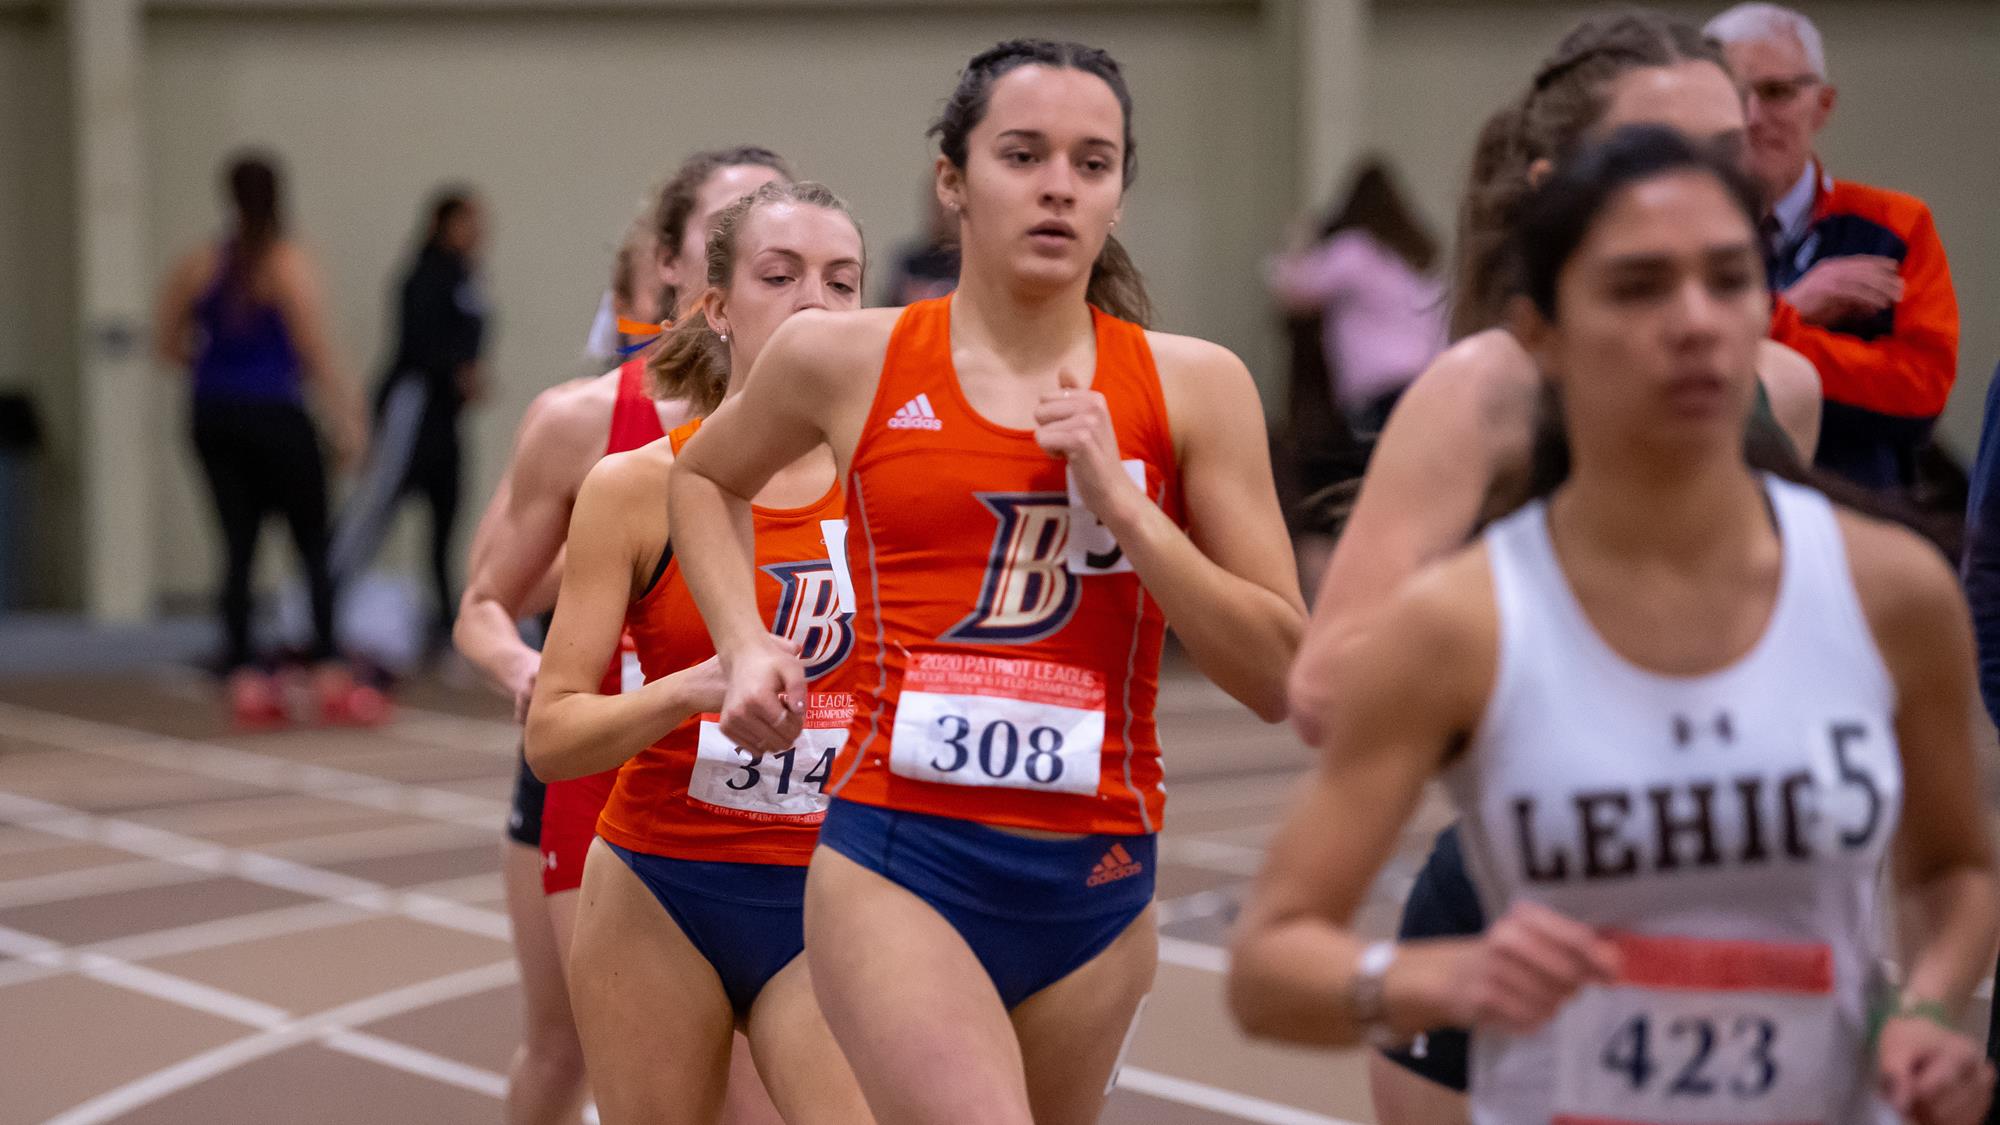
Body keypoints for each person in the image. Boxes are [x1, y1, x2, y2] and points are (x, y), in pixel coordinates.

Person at [1230, 124, 2000, 1125]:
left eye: (1726, 281)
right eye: (1637, 287)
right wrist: (1435, 981)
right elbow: (1266, 965)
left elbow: (1951, 868)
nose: (1692, 321)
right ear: (1538, 334)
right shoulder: (1462, 624)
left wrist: (1930, 1010)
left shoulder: (1888, 592)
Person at [667, 39, 1305, 1125]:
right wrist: (746, 641)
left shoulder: (1195, 388)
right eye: (1023, 154)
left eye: (1092, 162)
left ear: (1115, 193)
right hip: (897, 863)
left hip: (1096, 884)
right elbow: (698, 478)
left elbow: (1280, 674)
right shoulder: (846, 358)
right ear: (953, 181)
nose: (1059, 183)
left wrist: (1129, 506)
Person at [1287, 13, 1832, 1116]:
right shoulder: (1482, 390)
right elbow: (1323, 683)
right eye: (1654, 155)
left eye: (1723, 155)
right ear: (1553, 190)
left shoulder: (1782, 388)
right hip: (1516, 919)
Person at [451, 146, 792, 1125]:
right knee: (567, 1053)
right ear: (676, 267)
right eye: (732, 227)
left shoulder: (832, 423)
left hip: (766, 775)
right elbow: (482, 603)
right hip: (594, 765)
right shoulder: (588, 422)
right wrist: (525, 667)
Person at [527, 181, 871, 1125]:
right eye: (781, 274)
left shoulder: (898, 481)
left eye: (843, 282)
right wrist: (694, 687)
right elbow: (552, 736)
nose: (816, 301)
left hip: (836, 891)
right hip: (661, 888)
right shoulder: (637, 487)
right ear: (717, 307)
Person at [153, 150, 379, 728]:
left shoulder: (200, 264)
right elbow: (316, 352)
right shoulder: (287, 264)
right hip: (277, 418)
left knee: (237, 545)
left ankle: (245, 676)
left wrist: (221, 366)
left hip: (214, 416)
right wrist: (352, 422)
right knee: (311, 545)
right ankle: (329, 671)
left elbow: (168, 344)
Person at [1706, 2, 1961, 493]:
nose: (1754, 116)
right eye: (1734, 94)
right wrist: (1794, 310)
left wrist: (1769, 328)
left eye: (1777, 92)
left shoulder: (1895, 223)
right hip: (1714, 517)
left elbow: (1920, 396)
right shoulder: (1670, 224)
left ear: (1822, 105)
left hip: (1859, 519)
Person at [328, 188, 489, 640]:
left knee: (446, 517)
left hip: (446, 419)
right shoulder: (422, 275)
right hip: (413, 408)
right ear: (443, 223)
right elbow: (418, 344)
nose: (477, 233)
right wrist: (455, 372)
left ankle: (443, 621)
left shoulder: (468, 277)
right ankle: (324, 598)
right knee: (376, 506)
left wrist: (470, 374)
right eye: (468, 222)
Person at [1266, 159, 1446, 436]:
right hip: (1427, 378)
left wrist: (1297, 244)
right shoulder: (1410, 258)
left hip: (1378, 386)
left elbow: (1295, 291)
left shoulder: (1356, 249)